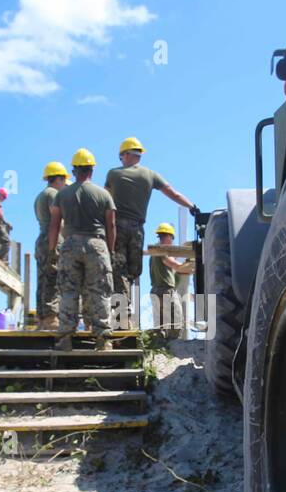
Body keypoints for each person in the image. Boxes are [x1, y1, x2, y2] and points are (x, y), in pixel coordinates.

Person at [104, 137, 198, 326]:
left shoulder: (113, 174)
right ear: (139, 154)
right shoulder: (150, 175)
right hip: (137, 229)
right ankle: (125, 315)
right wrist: (192, 206)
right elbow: (174, 193)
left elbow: (105, 200)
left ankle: (122, 319)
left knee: (118, 272)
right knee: (132, 273)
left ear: (125, 155)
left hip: (117, 228)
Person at [48, 148, 116, 352]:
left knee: (68, 291)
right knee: (100, 292)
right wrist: (110, 251)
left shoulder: (62, 194)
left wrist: (52, 249)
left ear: (74, 171)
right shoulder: (104, 194)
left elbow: (54, 224)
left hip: (70, 244)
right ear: (92, 170)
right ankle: (103, 340)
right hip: (97, 244)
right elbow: (111, 225)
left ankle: (65, 339)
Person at [33, 161, 68, 330]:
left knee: (43, 278)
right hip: (52, 239)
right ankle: (51, 318)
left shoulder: (40, 195)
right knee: (53, 278)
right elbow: (58, 221)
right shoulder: (54, 194)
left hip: (41, 239)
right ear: (59, 179)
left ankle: (41, 317)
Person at [149, 223, 187, 342]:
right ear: (169, 236)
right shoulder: (162, 250)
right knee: (176, 319)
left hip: (155, 290)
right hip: (165, 289)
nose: (172, 242)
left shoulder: (154, 252)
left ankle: (160, 345)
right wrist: (188, 267)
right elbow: (172, 264)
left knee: (160, 323)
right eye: (172, 238)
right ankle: (173, 346)